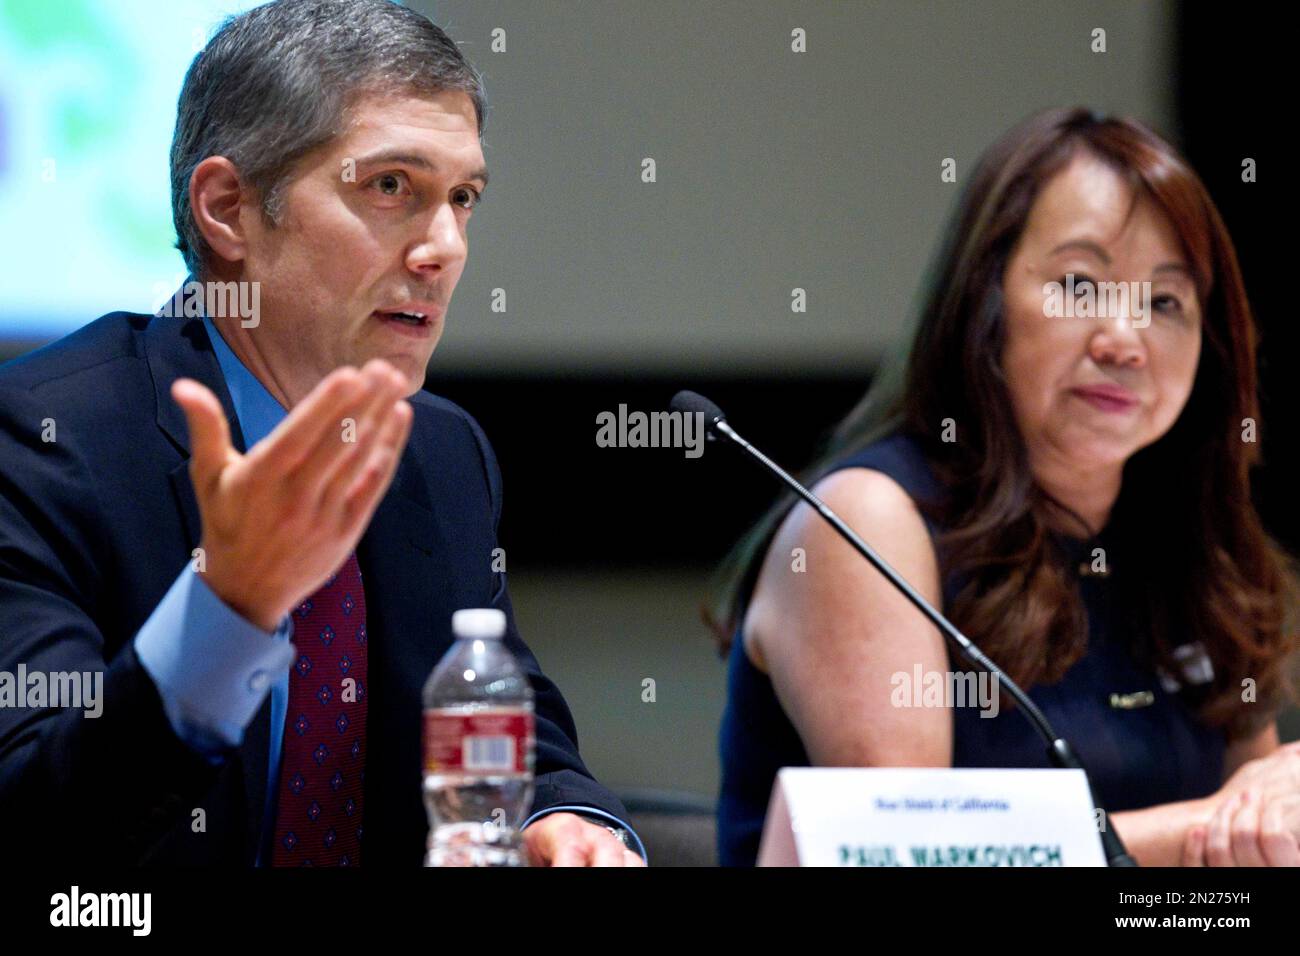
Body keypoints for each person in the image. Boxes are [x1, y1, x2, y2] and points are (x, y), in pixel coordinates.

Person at [0, 0, 643, 867]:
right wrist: (227, 614)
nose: (444, 247)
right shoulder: (43, 440)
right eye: (391, 188)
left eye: (463, 198)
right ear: (229, 209)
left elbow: (503, 720)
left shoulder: (438, 453)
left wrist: (560, 822)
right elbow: (36, 821)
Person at [710, 107, 1300, 867]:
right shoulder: (868, 523)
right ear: (985, 304)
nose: (1125, 339)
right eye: (1080, 285)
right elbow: (909, 852)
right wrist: (1206, 826)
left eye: (1165, 302)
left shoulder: (1186, 542)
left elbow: (1249, 838)